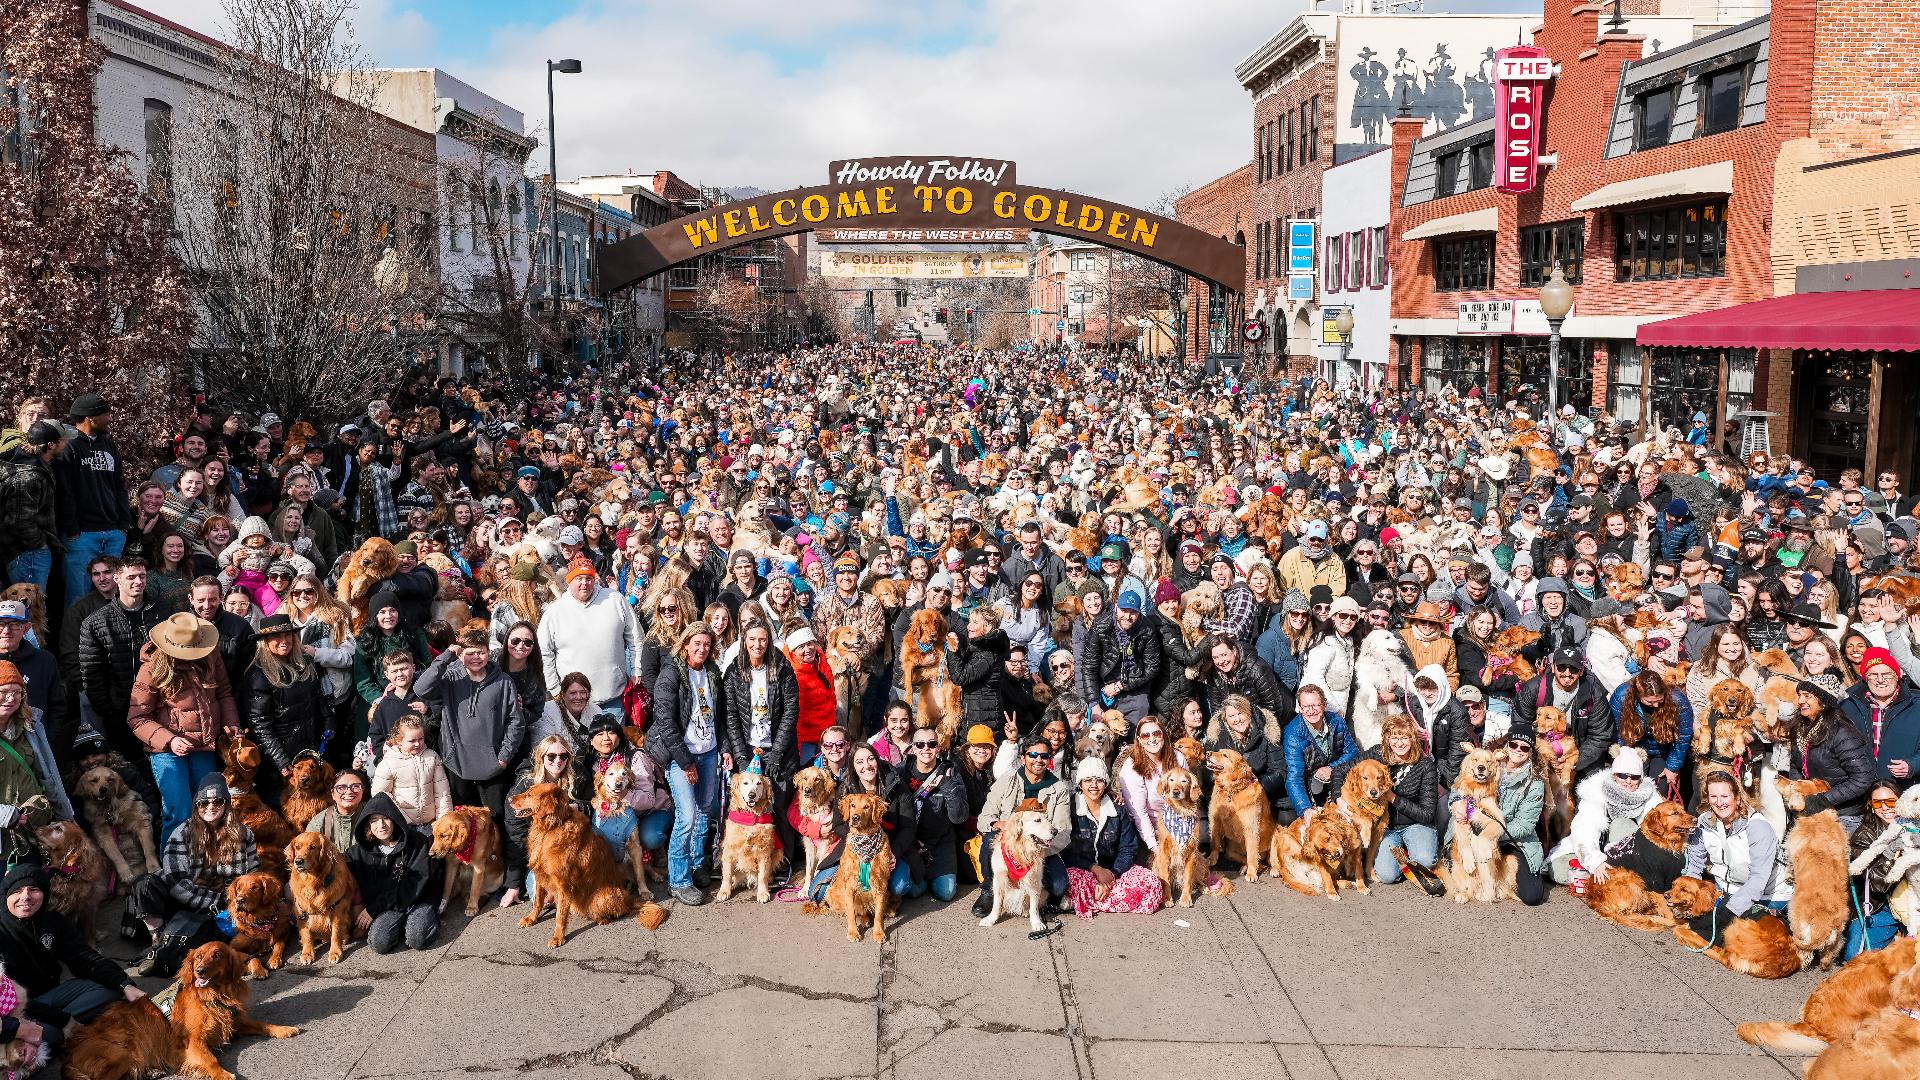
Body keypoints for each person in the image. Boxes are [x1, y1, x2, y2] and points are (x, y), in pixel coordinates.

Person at [414, 626, 528, 875]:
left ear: (489, 653)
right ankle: (467, 874)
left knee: (496, 821)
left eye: (481, 652)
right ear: (461, 653)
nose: (476, 657)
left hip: (493, 766)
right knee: (462, 823)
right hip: (458, 763)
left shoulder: (503, 682)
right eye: (470, 653)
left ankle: (500, 872)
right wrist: (446, 657)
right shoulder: (450, 677)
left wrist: (504, 757)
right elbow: (421, 689)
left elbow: (515, 721)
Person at [125, 773, 257, 976]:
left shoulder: (244, 834)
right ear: (196, 805)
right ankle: (157, 940)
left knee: (206, 940)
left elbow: (251, 875)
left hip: (224, 903)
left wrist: (232, 903)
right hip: (184, 896)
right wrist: (216, 901)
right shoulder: (181, 833)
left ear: (227, 804)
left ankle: (169, 950)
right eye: (203, 802)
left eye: (217, 801)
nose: (210, 807)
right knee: (144, 883)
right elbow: (176, 881)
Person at [126, 613, 236, 842]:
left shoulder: (211, 655)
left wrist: (231, 723)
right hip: (167, 752)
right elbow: (137, 718)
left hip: (204, 747)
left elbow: (224, 691)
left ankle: (207, 864)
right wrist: (169, 740)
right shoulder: (152, 668)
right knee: (179, 813)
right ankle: (173, 869)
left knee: (211, 808)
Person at [647, 624, 726, 906]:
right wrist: (686, 762)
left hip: (708, 751)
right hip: (681, 754)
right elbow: (666, 723)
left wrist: (724, 749)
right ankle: (678, 879)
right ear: (685, 643)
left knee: (705, 810)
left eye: (707, 644)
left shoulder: (713, 672)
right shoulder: (671, 674)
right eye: (697, 643)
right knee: (687, 815)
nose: (702, 648)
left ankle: (695, 864)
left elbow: (721, 715)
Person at [969, 732, 1071, 919]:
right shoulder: (1006, 781)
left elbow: (1063, 833)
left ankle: (1034, 895)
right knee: (989, 839)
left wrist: (1033, 851)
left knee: (1059, 886)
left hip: (1040, 848)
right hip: (1009, 844)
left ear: (1049, 760)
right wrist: (996, 823)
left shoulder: (1059, 789)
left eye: (1044, 756)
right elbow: (984, 818)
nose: (1038, 760)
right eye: (1033, 755)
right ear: (1023, 758)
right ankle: (989, 892)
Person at [1681, 769, 1792, 929]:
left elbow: (1758, 880)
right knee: (1699, 927)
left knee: (1740, 936)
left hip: (1768, 894)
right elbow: (1695, 866)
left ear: (1738, 798)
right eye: (1714, 796)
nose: (1719, 803)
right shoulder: (1703, 823)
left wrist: (1731, 910)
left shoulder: (1757, 827)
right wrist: (1689, 895)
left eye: (1725, 796)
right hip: (1726, 888)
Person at [1062, 756, 1162, 917]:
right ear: (1080, 784)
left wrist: (1111, 875)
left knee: (1152, 883)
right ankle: (1100, 898)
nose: (1093, 785)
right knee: (1070, 880)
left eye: (1099, 780)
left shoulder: (1118, 810)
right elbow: (1066, 851)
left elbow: (1128, 849)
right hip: (1082, 869)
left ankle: (1088, 901)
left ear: (1106, 783)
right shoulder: (1070, 809)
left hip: (1114, 870)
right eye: (1087, 780)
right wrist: (1096, 869)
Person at [1547, 745, 1662, 884]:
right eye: (1623, 775)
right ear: (1614, 775)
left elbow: (1660, 831)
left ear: (1641, 779)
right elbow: (1584, 830)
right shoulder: (1596, 791)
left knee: (1621, 824)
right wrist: (1595, 862)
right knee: (1559, 870)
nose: (1628, 781)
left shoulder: (1649, 796)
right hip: (1595, 847)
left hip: (1630, 853)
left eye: (1635, 777)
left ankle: (1621, 877)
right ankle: (1602, 877)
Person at [537, 558, 642, 710]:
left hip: (612, 697)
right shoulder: (554, 612)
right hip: (573, 702)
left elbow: (635, 637)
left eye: (588, 578)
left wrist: (636, 668)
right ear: (569, 581)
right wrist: (554, 688)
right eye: (579, 578)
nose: (584, 583)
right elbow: (544, 653)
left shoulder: (615, 599)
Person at [244, 614, 328, 805]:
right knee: (284, 810)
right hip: (282, 757)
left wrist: (329, 722)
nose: (284, 641)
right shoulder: (258, 673)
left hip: (311, 749)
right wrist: (281, 760)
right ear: (265, 642)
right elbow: (260, 725)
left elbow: (320, 697)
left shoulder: (305, 663)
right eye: (277, 637)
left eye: (288, 635)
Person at [345, 794, 442, 953]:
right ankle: (402, 925)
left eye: (386, 818)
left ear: (395, 819)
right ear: (367, 825)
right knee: (379, 943)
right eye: (374, 820)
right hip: (390, 906)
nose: (381, 825)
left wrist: (375, 908)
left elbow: (415, 884)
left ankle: (425, 921)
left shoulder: (417, 842)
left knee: (418, 937)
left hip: (417, 900)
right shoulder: (359, 851)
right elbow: (337, 868)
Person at [1783, 674, 1876, 833]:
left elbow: (1863, 778)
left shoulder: (1841, 733)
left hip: (1842, 814)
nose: (1800, 701)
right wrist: (1796, 792)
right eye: (1800, 696)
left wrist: (1822, 800)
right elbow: (1796, 766)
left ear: (1824, 701)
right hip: (1809, 808)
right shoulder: (1801, 729)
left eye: (1807, 696)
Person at [1512, 646, 1616, 781]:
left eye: (1573, 668)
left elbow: (1600, 736)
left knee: (1592, 787)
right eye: (1561, 667)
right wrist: (1544, 757)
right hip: (1540, 751)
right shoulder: (1533, 689)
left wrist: (1571, 763)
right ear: (1553, 667)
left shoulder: (1594, 695)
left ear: (1581, 670)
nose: (1567, 673)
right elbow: (1521, 725)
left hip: (1581, 753)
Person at [1362, 712, 1440, 885]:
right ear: (1387, 739)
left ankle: (1414, 850)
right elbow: (1343, 770)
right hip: (1386, 828)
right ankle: (1401, 854)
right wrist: (1339, 798)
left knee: (1425, 862)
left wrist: (1392, 797)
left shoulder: (1425, 765)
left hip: (1416, 824)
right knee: (1387, 876)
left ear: (1412, 738)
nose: (1399, 743)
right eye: (1394, 738)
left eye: (1404, 738)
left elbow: (1427, 814)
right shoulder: (1377, 754)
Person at [899, 722, 968, 901]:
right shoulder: (902, 772)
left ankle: (934, 877)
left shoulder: (950, 772)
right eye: (920, 744)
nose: (926, 749)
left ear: (938, 747)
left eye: (932, 744)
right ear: (913, 749)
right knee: (914, 891)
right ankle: (922, 879)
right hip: (912, 844)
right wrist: (910, 841)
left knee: (946, 893)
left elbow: (959, 817)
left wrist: (946, 784)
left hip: (941, 843)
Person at [1842, 780, 1907, 961]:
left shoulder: (1914, 825)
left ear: (1901, 800)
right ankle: (1894, 940)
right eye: (1877, 802)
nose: (1885, 807)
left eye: (1891, 801)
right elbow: (1877, 883)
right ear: (1871, 806)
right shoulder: (1863, 836)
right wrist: (1890, 854)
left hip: (1911, 900)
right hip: (1879, 905)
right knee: (1855, 958)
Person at [1608, 670, 1693, 797]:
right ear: (1638, 695)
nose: (1656, 705)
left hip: (1663, 750)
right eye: (1650, 702)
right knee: (1630, 787)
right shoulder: (1621, 695)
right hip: (1634, 748)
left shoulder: (1678, 699)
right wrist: (1624, 756)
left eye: (1659, 699)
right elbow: (1617, 730)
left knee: (1659, 790)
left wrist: (1672, 767)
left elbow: (1683, 736)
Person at [1840, 647, 1920, 781]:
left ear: (1897, 675)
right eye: (1873, 675)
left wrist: (1912, 766)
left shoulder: (1916, 706)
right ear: (1865, 678)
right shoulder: (1847, 707)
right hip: (1859, 791)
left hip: (1902, 789)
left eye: (1887, 674)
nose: (1880, 679)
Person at [1282, 684, 1357, 821]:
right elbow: (1294, 777)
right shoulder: (1293, 735)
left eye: (1316, 705)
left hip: (1338, 776)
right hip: (1310, 783)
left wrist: (1331, 768)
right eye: (1306, 707)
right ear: (1300, 708)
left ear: (1324, 705)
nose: (1311, 711)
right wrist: (1305, 809)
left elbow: (1352, 752)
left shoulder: (1337, 721)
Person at [1208, 691, 1288, 811]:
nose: (1237, 719)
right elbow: (1211, 774)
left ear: (1249, 713)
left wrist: (1257, 783)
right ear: (1225, 718)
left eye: (1241, 713)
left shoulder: (1267, 731)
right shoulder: (1217, 737)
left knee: (1286, 817)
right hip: (1229, 796)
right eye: (1231, 716)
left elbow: (1280, 771)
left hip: (1263, 794)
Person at [371, 715, 452, 829]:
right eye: (412, 741)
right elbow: (381, 795)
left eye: (421, 739)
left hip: (431, 823)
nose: (418, 744)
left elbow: (442, 792)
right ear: (399, 740)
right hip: (403, 825)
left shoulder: (432, 757)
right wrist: (400, 818)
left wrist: (443, 820)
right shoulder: (388, 763)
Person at [304, 766, 368, 853]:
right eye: (341, 788)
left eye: (355, 786)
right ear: (332, 793)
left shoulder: (374, 815)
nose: (349, 792)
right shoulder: (318, 822)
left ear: (362, 791)